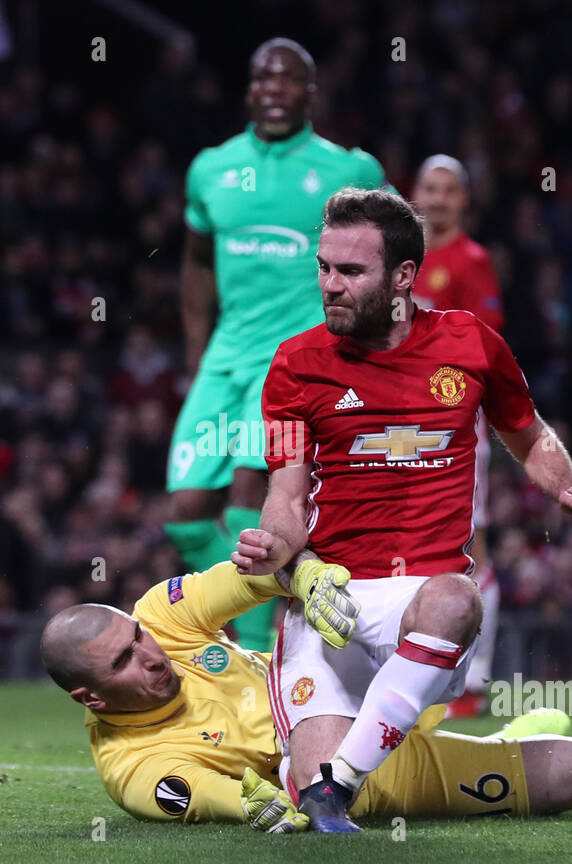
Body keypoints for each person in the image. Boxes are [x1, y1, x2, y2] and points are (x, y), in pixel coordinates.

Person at [236, 188, 572, 831]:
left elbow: (529, 434)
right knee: (327, 797)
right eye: (324, 267)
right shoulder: (296, 364)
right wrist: (275, 545)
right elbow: (287, 495)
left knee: (456, 597)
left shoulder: (471, 344)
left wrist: (566, 486)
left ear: (403, 276)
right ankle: (384, 761)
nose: (330, 285)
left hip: (422, 605)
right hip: (331, 602)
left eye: (351, 271)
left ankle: (338, 782)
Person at [39, 557, 572, 830]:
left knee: (432, 607)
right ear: (92, 699)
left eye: (136, 637)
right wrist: (252, 806)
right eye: (124, 661)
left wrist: (303, 577)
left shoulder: (159, 615)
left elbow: (248, 576)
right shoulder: (131, 767)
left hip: (337, 676)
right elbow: (220, 797)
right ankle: (502, 739)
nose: (150, 654)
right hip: (362, 780)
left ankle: (455, 705)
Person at [166, 37, 391, 653]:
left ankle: (260, 654)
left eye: (288, 79)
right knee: (185, 512)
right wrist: (197, 351)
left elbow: (394, 247)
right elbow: (196, 262)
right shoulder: (210, 169)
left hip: (295, 361)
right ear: (249, 90)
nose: (274, 89)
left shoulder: (349, 171)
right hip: (226, 358)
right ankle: (290, 591)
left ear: (310, 94)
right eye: (263, 78)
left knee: (249, 497)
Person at [411, 154, 505, 717]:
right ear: (413, 194)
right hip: (398, 418)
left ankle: (474, 679)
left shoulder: (471, 261)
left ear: (463, 200)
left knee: (470, 542)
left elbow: (485, 344)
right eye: (430, 188)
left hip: (456, 419)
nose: (438, 199)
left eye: (448, 190)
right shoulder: (396, 257)